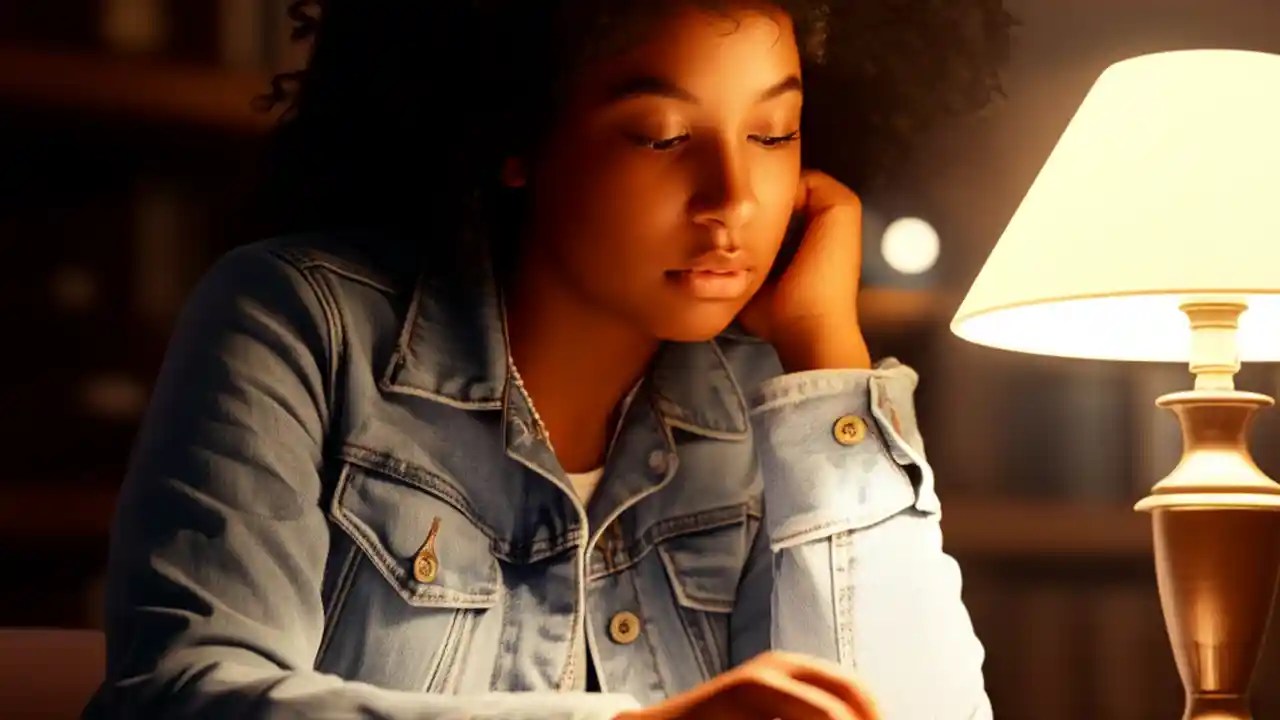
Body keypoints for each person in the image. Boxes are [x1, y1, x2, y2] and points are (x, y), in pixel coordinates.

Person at [83, 1, 1015, 718]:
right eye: (662, 137)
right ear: (518, 137)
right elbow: (182, 695)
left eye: (772, 135)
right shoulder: (302, 325)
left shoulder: (765, 400)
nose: (733, 196)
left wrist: (827, 358)